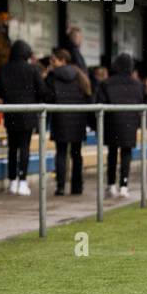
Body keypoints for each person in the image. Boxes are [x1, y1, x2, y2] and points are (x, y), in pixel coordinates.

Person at [0, 40, 50, 195]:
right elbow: (42, 91)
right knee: (24, 147)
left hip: (10, 112)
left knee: (12, 148)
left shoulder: (4, 69)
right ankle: (22, 181)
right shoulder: (32, 70)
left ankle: (12, 181)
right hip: (27, 113)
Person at [46, 48, 92, 196]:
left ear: (62, 60)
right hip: (78, 119)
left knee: (60, 153)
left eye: (54, 60)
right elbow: (87, 96)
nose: (52, 63)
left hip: (60, 118)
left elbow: (48, 96)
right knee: (76, 154)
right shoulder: (79, 75)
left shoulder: (52, 76)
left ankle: (60, 186)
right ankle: (77, 186)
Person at [97, 53, 143, 198]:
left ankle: (111, 185)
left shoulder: (106, 83)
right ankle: (124, 185)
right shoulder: (137, 84)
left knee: (112, 153)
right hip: (130, 121)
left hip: (112, 121)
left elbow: (100, 103)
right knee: (126, 154)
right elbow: (140, 102)